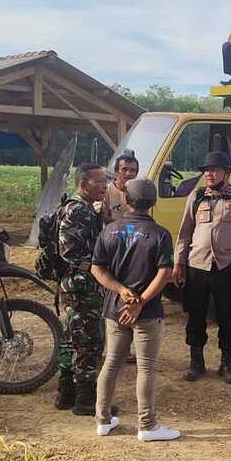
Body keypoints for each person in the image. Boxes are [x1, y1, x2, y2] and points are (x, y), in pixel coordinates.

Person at [90, 178, 180, 442]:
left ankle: (102, 420)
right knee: (147, 367)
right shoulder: (160, 234)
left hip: (115, 309)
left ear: (126, 201)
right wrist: (140, 302)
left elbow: (97, 268)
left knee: (111, 362)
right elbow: (165, 273)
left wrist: (120, 290)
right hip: (148, 311)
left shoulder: (109, 231)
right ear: (154, 203)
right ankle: (147, 425)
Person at [174, 150, 231, 384]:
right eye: (206, 170)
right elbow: (184, 233)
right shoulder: (197, 196)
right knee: (195, 314)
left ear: (226, 173)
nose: (209, 174)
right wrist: (179, 263)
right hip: (197, 265)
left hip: (226, 265)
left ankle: (227, 364)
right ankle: (196, 362)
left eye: (214, 170)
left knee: (227, 315)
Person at [55, 163, 108, 414]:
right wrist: (97, 267)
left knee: (71, 338)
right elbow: (68, 251)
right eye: (99, 181)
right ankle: (85, 401)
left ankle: (66, 394)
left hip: (73, 284)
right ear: (84, 183)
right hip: (82, 285)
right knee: (89, 340)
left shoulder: (80, 207)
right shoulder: (78, 210)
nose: (105, 186)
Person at [105, 152, 139, 223]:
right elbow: (103, 219)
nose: (128, 173)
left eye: (132, 170)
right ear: (116, 171)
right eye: (124, 169)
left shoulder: (139, 193)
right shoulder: (106, 191)